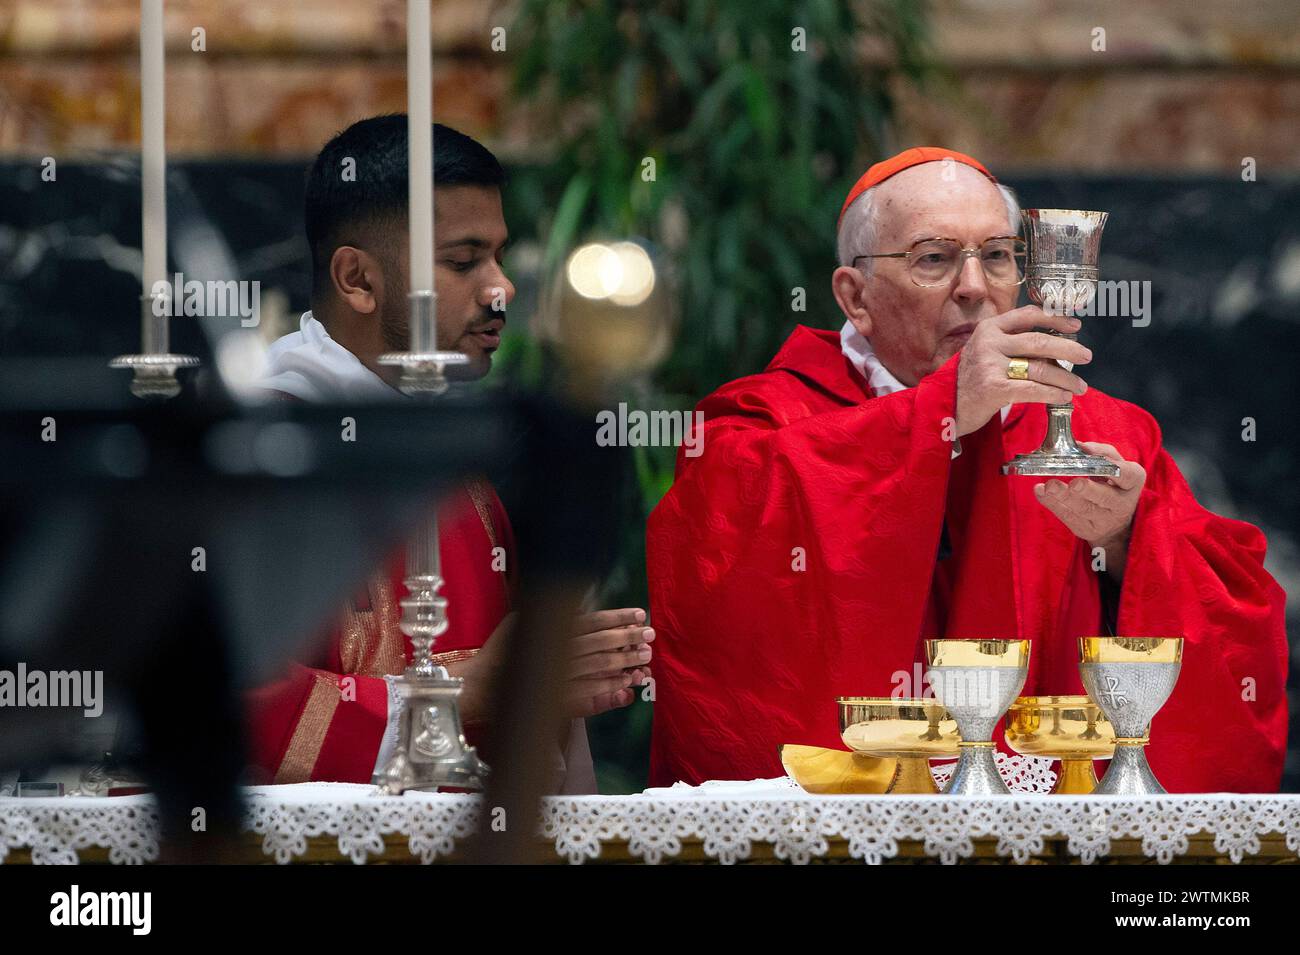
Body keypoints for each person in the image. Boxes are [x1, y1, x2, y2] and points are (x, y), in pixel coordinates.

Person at [646, 147, 1287, 792]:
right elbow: (715, 591)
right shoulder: (761, 423)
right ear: (855, 296)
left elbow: (1239, 617)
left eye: (999, 256)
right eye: (934, 258)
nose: (975, 287)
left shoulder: (1105, 434)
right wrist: (939, 416)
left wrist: (1126, 541)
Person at [247, 115, 652, 791]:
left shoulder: (464, 471)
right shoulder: (266, 458)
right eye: (464, 262)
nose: (502, 289)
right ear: (358, 279)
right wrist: (460, 696)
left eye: (498, 255)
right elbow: (223, 704)